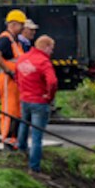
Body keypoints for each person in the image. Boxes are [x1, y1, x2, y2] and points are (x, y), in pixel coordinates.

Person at [16, 35, 58, 173]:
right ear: (45, 47)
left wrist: (22, 91)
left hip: (25, 99)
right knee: (36, 136)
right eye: (51, 48)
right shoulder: (44, 62)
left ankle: (20, 153)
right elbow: (52, 81)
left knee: (23, 126)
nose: (52, 52)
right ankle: (34, 167)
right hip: (39, 101)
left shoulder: (22, 58)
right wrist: (49, 96)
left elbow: (17, 76)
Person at [0, 9, 27, 149]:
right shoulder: (5, 39)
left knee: (16, 109)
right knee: (9, 109)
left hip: (14, 79)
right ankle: (6, 139)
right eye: (21, 25)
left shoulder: (14, 40)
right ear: (13, 24)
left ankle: (13, 139)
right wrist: (8, 70)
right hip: (7, 79)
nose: (23, 28)